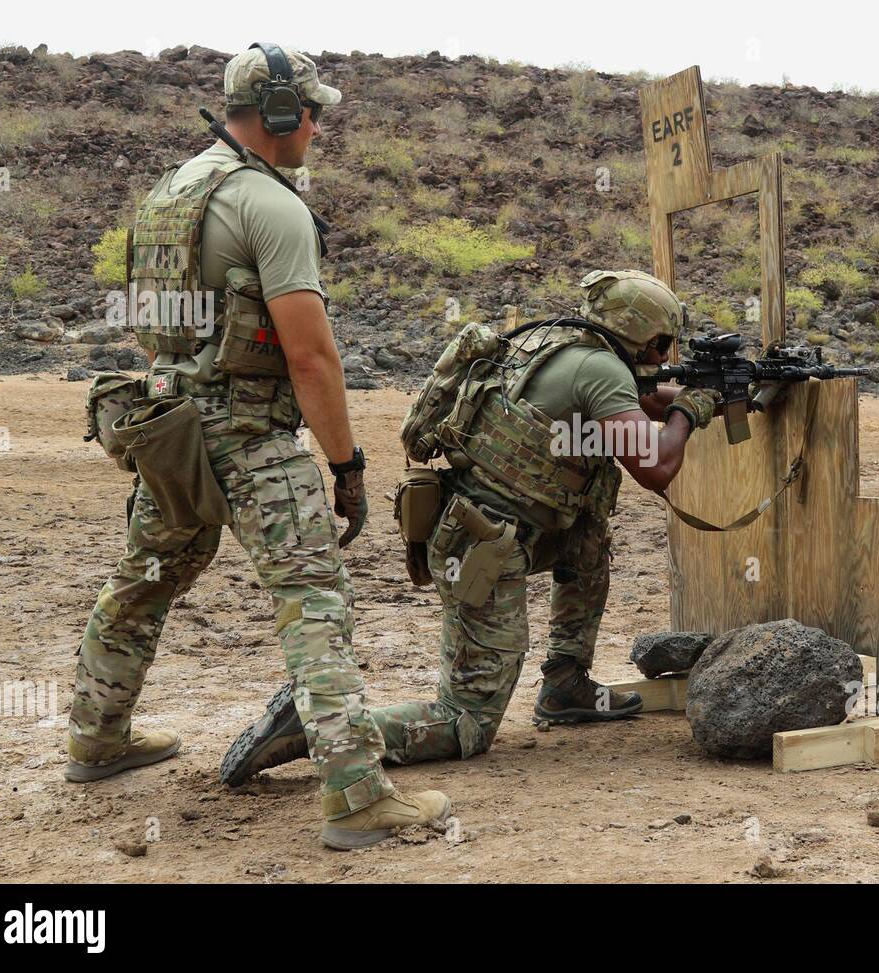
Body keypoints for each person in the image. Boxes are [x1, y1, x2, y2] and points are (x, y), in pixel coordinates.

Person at [64, 42, 448, 851]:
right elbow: (311, 357)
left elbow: (151, 327)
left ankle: (96, 737)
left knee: (143, 580)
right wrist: (346, 464)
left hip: (171, 428)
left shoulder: (170, 193)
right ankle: (356, 795)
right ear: (279, 114)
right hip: (250, 439)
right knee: (313, 601)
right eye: (311, 112)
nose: (317, 128)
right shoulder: (270, 207)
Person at [221, 269, 721, 784]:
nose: (664, 356)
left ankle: (565, 683)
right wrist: (688, 410)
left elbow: (631, 403)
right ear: (638, 332)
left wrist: (700, 396)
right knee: (467, 723)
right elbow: (655, 466)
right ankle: (326, 727)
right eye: (662, 343)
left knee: (588, 538)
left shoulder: (549, 344)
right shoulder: (602, 371)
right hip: (486, 548)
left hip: (483, 522)